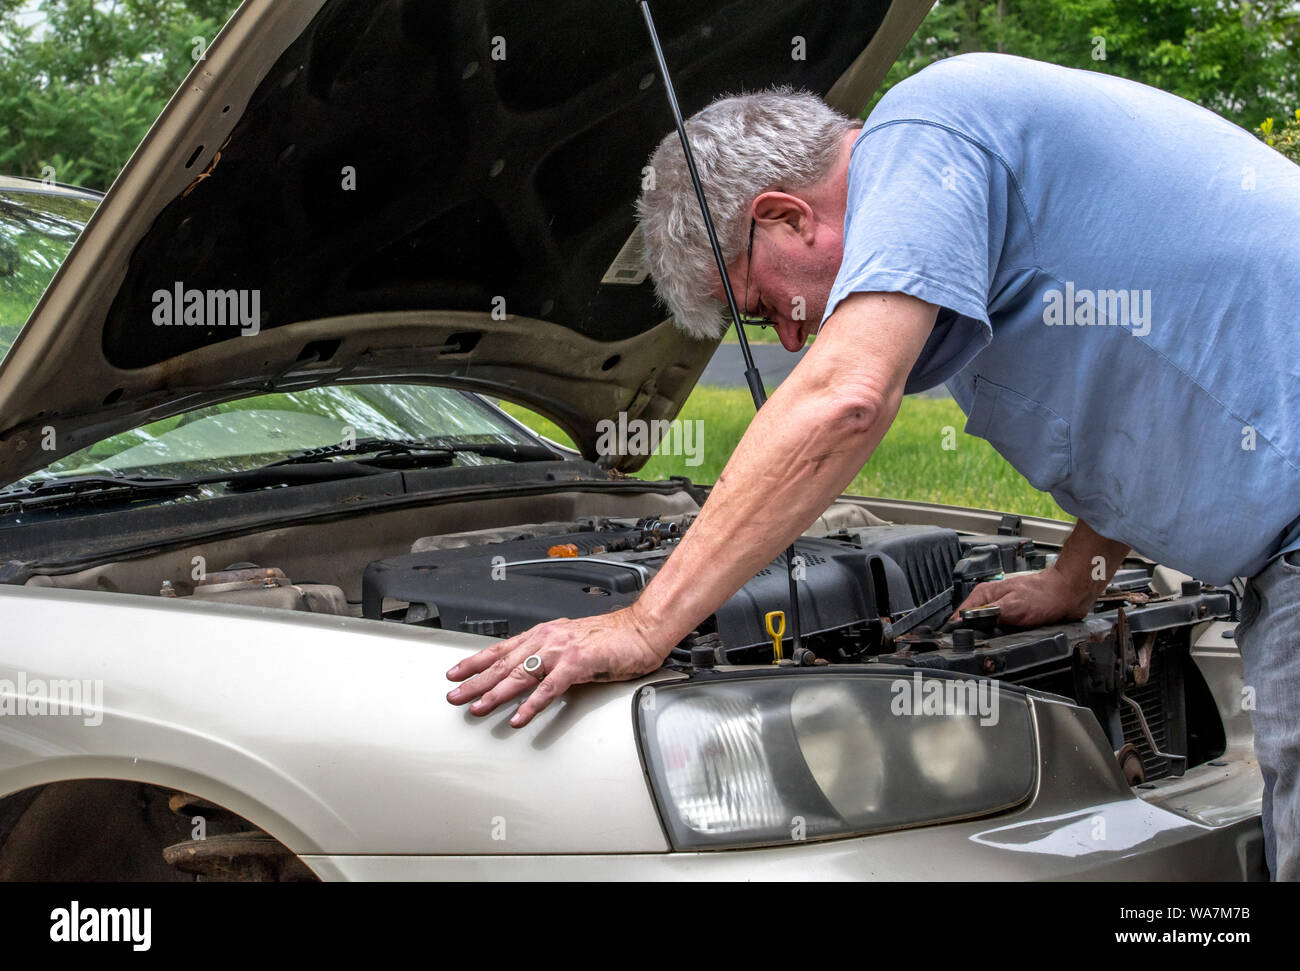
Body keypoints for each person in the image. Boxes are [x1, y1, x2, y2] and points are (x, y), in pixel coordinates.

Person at [446, 53, 1300, 878]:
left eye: (760, 302)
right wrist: (1076, 579)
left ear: (785, 215)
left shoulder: (929, 129)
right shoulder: (964, 260)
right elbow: (1136, 422)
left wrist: (642, 624)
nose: (790, 336)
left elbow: (845, 399)